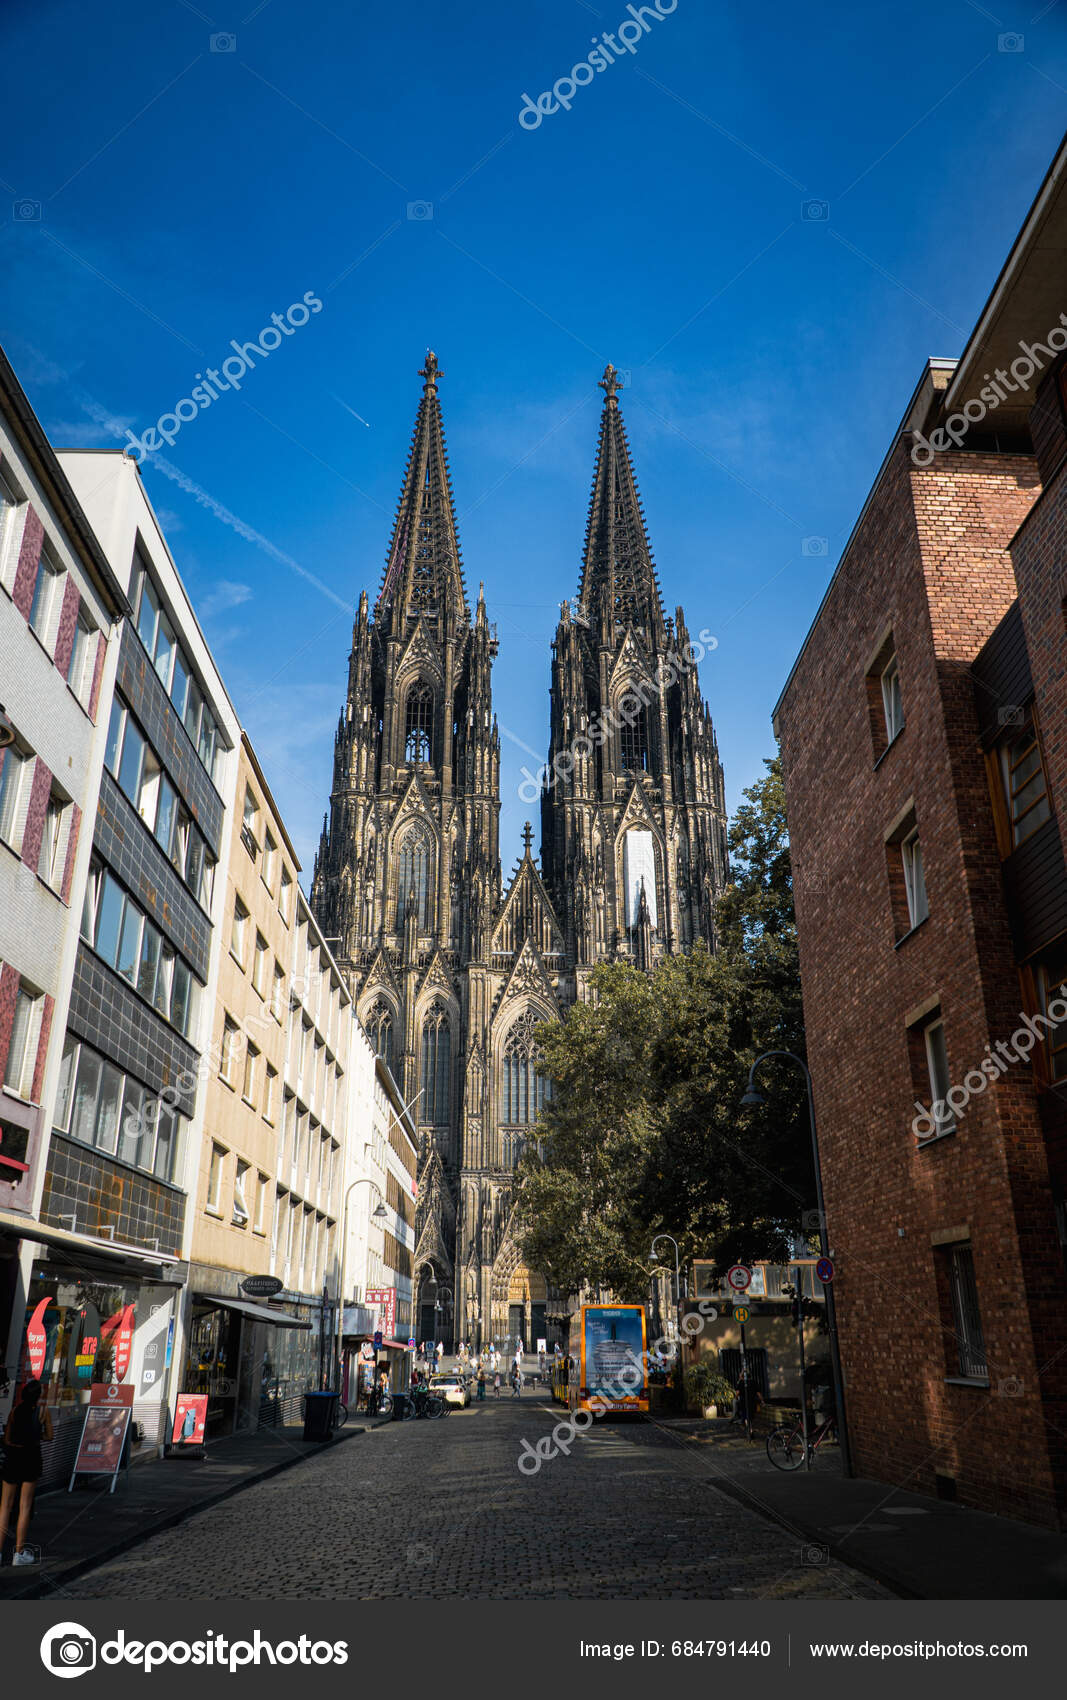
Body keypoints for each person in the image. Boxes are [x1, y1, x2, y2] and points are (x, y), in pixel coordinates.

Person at [0, 1380, 52, 1566]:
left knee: (5, 1506)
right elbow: (49, 1436)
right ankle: (19, 1553)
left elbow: (7, 1438)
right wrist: (36, 1435)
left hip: (14, 1458)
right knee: (25, 1506)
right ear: (38, 1396)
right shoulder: (43, 1412)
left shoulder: (15, 1411)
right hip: (31, 1457)